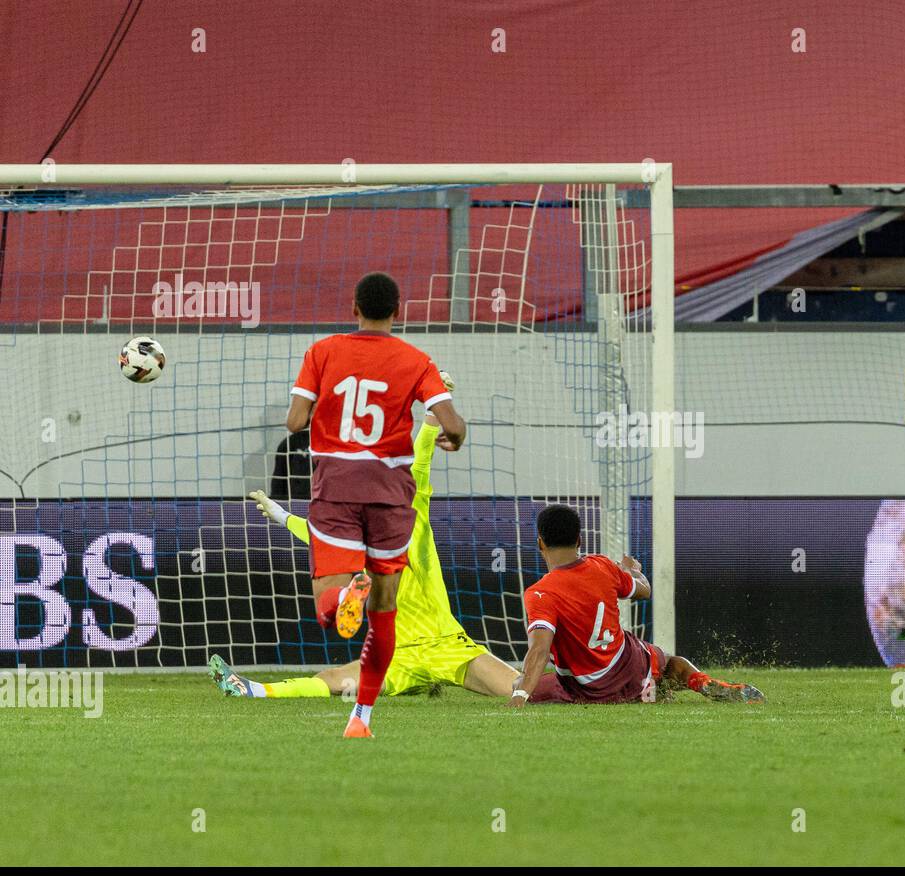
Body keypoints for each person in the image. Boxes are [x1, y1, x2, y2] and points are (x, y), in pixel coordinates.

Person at [209, 409, 518, 702]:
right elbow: (319, 537)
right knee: (331, 679)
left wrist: (433, 411)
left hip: (446, 646)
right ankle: (252, 690)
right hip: (396, 655)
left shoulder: (412, 506)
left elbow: (423, 456)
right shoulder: (354, 533)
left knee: (522, 690)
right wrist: (283, 516)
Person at [287, 271, 466, 737]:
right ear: (398, 311)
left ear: (354, 308)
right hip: (390, 495)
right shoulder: (417, 360)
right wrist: (454, 437)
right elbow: (452, 424)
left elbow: (295, 421)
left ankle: (345, 596)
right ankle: (361, 718)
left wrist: (327, 409)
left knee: (326, 606)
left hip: (337, 488)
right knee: (385, 610)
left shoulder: (322, 352)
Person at [510, 503, 765, 706]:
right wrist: (632, 570)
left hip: (584, 688)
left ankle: (647, 692)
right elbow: (644, 590)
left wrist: (520, 695)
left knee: (520, 685)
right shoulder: (603, 566)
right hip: (628, 666)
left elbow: (539, 649)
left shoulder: (540, 593)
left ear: (540, 542)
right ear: (579, 540)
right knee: (668, 662)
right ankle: (694, 681)